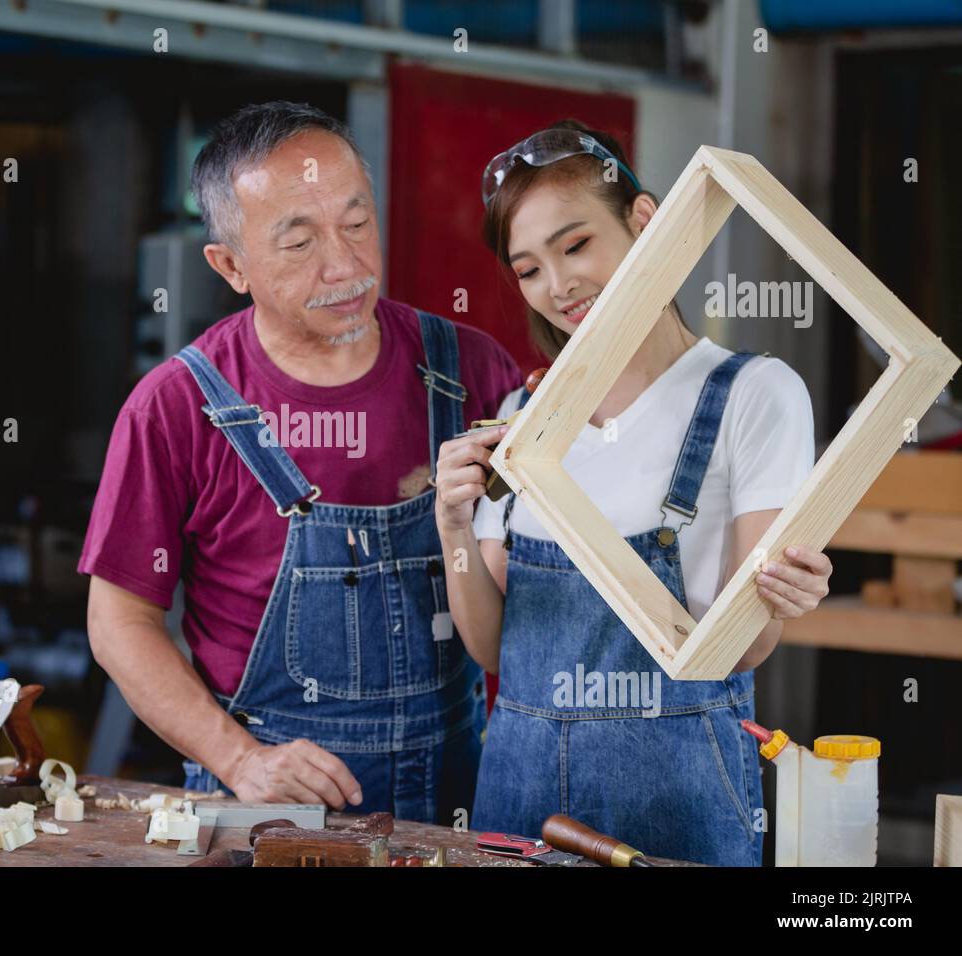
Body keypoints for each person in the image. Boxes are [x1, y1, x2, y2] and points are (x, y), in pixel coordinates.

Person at [81, 102, 523, 822]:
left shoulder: (470, 368)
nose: (345, 266)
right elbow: (119, 622)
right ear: (230, 265)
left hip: (461, 798)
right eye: (298, 243)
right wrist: (238, 760)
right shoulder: (174, 408)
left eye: (356, 224)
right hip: (269, 813)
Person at [434, 120, 833, 865]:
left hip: (678, 797)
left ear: (646, 220)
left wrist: (781, 596)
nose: (558, 286)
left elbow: (741, 647)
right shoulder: (526, 421)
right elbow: (493, 651)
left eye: (576, 244)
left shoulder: (754, 394)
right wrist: (455, 527)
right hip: (518, 798)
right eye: (528, 269)